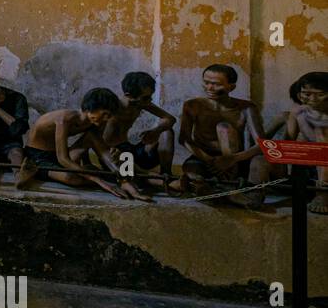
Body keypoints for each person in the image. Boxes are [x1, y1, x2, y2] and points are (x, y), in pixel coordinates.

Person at [16, 88, 151, 200]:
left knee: (93, 138)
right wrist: (100, 182)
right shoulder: (65, 118)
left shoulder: (93, 123)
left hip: (56, 157)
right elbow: (63, 159)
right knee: (72, 178)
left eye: (109, 116)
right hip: (38, 158)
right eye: (104, 114)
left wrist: (121, 176)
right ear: (91, 109)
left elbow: (103, 151)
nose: (106, 119)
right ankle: (31, 170)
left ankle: (124, 182)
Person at [178, 64, 272, 206]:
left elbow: (262, 144)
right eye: (206, 82)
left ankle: (250, 195)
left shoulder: (246, 108)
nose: (209, 88)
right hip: (204, 158)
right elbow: (184, 139)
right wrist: (209, 159)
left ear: (231, 87)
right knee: (193, 173)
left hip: (236, 159)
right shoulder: (193, 105)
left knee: (226, 130)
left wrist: (232, 159)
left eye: (216, 84)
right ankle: (214, 191)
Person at [99, 71, 176, 191]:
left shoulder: (140, 104)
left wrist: (155, 131)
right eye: (145, 97)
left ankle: (166, 174)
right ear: (129, 95)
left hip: (131, 151)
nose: (149, 100)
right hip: (115, 156)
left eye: (150, 96)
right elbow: (92, 135)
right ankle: (163, 183)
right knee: (136, 177)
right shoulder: (110, 109)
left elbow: (170, 119)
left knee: (167, 132)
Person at [285, 71, 328, 214]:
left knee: (321, 134)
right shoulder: (298, 112)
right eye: (306, 94)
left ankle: (322, 194)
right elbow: (289, 139)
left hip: (325, 163)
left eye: (320, 94)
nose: (313, 99)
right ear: (299, 95)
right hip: (307, 161)